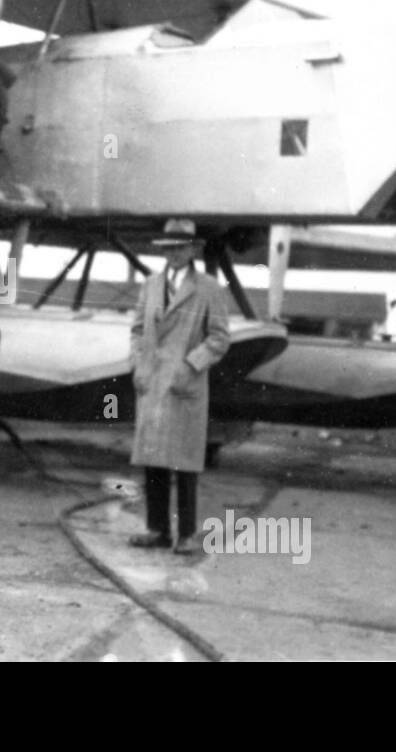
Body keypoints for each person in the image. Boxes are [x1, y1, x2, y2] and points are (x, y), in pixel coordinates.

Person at [128, 218, 230, 554]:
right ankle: (157, 529)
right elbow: (138, 329)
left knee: (184, 463)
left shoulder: (208, 288)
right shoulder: (151, 285)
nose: (174, 253)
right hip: (153, 383)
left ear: (193, 250)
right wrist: (138, 365)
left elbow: (219, 338)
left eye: (181, 247)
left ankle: (186, 534)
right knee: (153, 457)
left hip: (184, 383)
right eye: (168, 248)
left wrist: (192, 365)